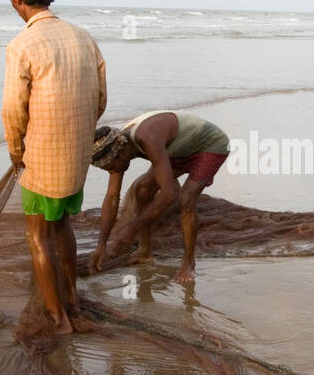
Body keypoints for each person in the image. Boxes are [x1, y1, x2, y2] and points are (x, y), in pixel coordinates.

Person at [0, 0, 106, 333]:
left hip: (42, 158)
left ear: (16, 0)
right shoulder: (82, 36)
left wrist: (16, 152)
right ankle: (72, 299)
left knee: (38, 234)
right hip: (77, 155)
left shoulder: (22, 44)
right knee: (62, 226)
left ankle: (58, 317)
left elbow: (13, 109)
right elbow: (100, 98)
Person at [89, 111, 231, 283]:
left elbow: (169, 193)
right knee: (142, 190)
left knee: (186, 198)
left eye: (112, 167)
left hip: (209, 146)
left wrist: (131, 229)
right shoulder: (119, 146)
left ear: (120, 153)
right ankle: (144, 251)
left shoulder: (147, 137)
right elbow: (112, 198)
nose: (113, 171)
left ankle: (188, 263)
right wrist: (101, 245)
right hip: (177, 151)